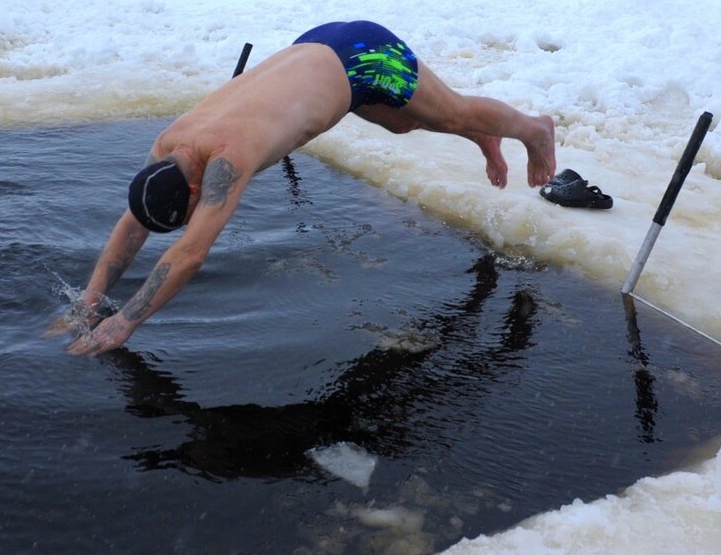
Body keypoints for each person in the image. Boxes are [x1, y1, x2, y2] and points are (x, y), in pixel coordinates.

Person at [50, 20, 556, 356]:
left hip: (364, 55)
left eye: (190, 209)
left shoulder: (229, 158)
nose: (194, 212)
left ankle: (534, 130)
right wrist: (90, 301)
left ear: (194, 190)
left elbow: (188, 255)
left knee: (453, 111)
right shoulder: (168, 148)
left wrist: (126, 323)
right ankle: (485, 138)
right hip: (319, 50)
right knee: (402, 123)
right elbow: (132, 225)